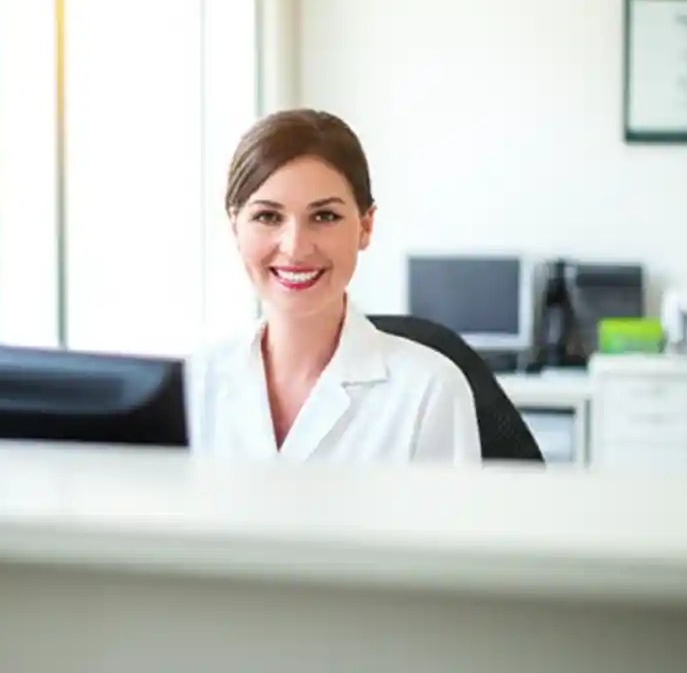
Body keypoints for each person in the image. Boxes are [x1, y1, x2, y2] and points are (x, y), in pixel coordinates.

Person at [187, 109, 482, 463]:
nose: (295, 247)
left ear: (365, 226)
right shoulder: (195, 386)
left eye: (324, 216)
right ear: (235, 226)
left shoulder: (429, 390)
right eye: (268, 216)